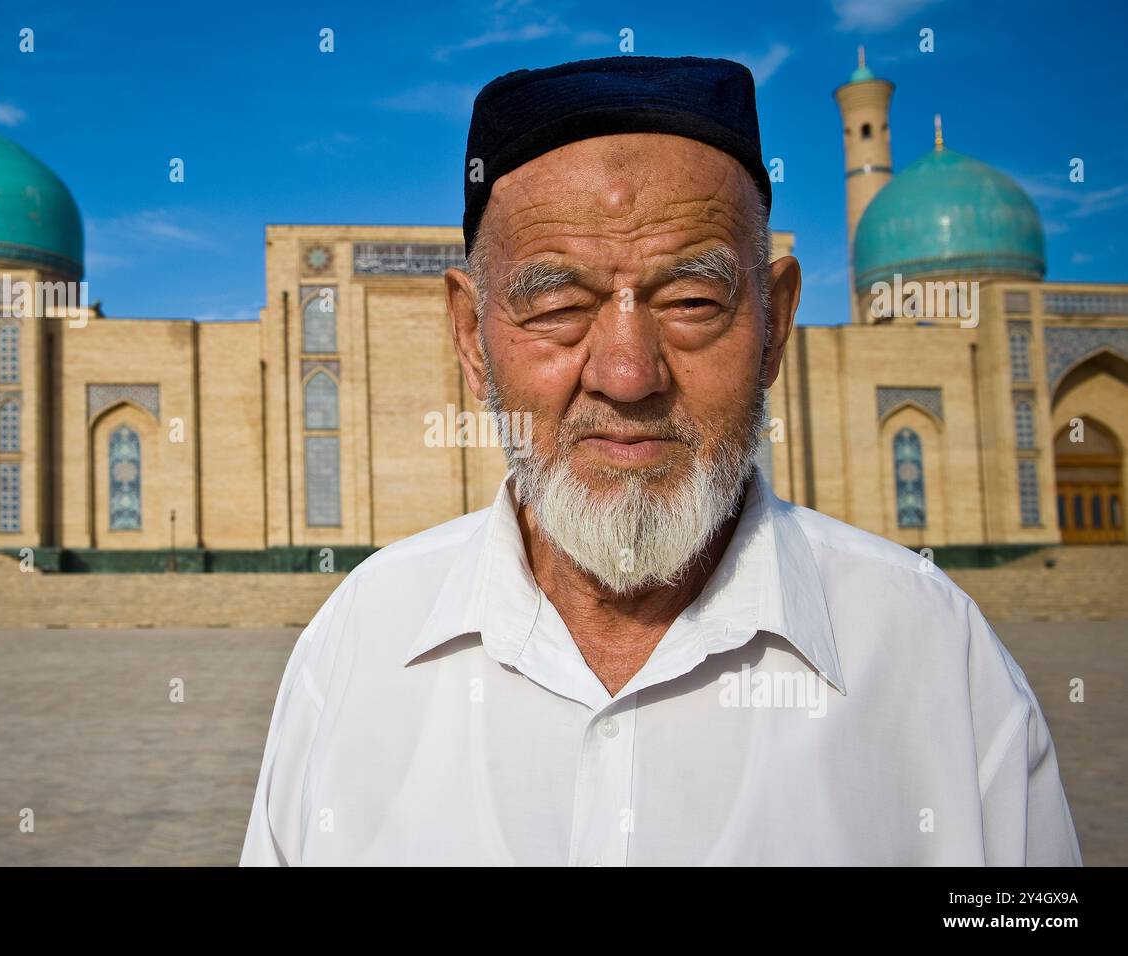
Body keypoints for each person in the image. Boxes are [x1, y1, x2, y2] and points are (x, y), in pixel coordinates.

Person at [241, 55, 1081, 866]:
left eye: (691, 302)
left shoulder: (932, 657)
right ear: (471, 336)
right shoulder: (357, 647)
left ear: (776, 324)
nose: (628, 374)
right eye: (560, 305)